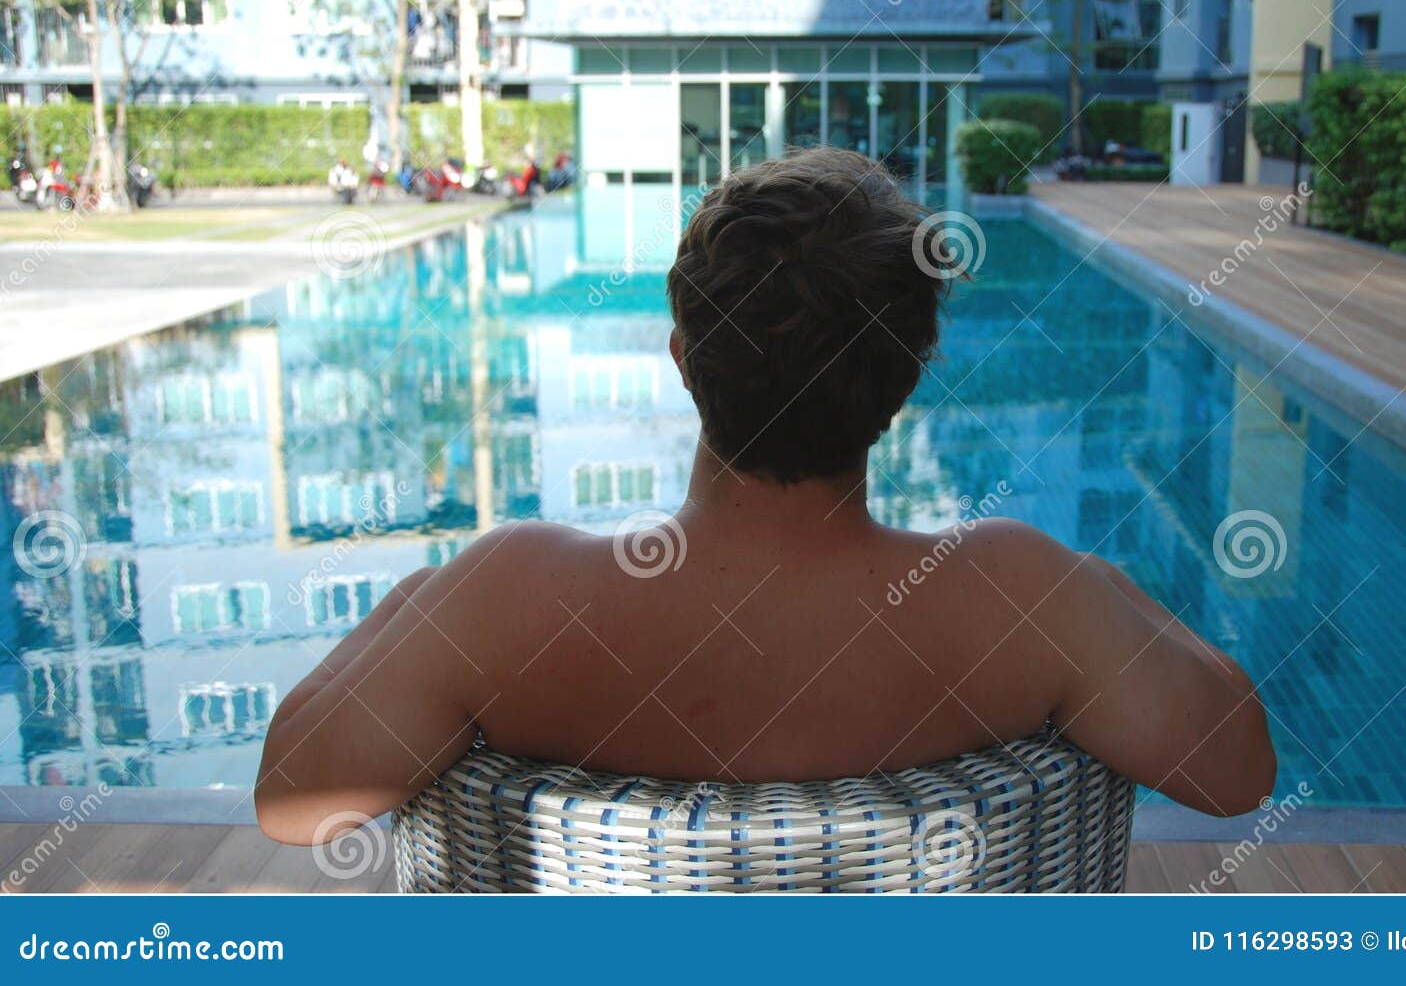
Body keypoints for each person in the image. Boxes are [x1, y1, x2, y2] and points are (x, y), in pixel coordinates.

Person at [255, 147, 1275, 845]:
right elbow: (1237, 770)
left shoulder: (513, 597)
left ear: (681, 360)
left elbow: (294, 800)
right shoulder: (1017, 597)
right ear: (905, 380)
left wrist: (417, 603)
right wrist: (1093, 585)